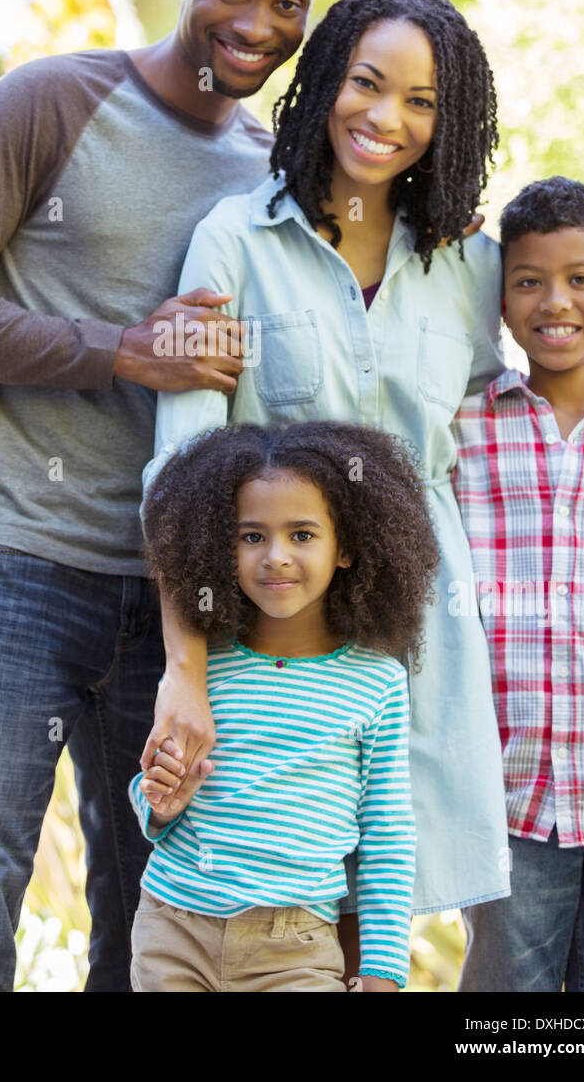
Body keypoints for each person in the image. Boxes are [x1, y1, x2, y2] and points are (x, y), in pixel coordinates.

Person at [0, 0, 327, 992]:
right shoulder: (51, 102)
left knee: (149, 937)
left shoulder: (272, 175)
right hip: (12, 565)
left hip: (177, 610)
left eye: (287, 2)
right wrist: (120, 348)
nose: (255, 22)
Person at [141, 0, 512, 932]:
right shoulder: (235, 240)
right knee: (264, 908)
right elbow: (180, 475)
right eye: (367, 84)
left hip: (419, 635)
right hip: (270, 641)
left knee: (379, 919)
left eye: (422, 102)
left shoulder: (470, 268)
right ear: (326, 82)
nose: (387, 119)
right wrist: (184, 670)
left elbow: (495, 437)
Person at [130, 420, 439, 992]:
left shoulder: (377, 683)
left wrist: (384, 972)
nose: (275, 556)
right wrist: (160, 803)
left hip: (295, 948)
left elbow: (387, 834)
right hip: (172, 929)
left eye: (302, 534)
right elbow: (151, 791)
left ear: (346, 549)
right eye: (252, 537)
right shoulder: (203, 669)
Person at [451, 176, 584, 993]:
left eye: (580, 278)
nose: (553, 300)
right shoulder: (460, 431)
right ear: (499, 300)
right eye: (527, 280)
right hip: (507, 801)